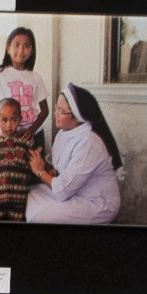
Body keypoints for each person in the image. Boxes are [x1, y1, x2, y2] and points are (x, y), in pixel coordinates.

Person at [26, 84, 122, 225]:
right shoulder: (63, 133)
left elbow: (63, 191)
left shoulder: (88, 142)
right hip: (72, 191)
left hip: (95, 202)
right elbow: (61, 172)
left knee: (38, 216)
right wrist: (46, 166)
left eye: (61, 111)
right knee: (30, 193)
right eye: (56, 108)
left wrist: (40, 171)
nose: (55, 113)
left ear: (77, 116)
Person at [0, 98, 36, 222]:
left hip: (19, 194)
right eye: (4, 120)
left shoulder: (25, 140)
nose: (9, 125)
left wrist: (48, 168)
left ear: (20, 119)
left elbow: (37, 160)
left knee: (17, 220)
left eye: (14, 120)